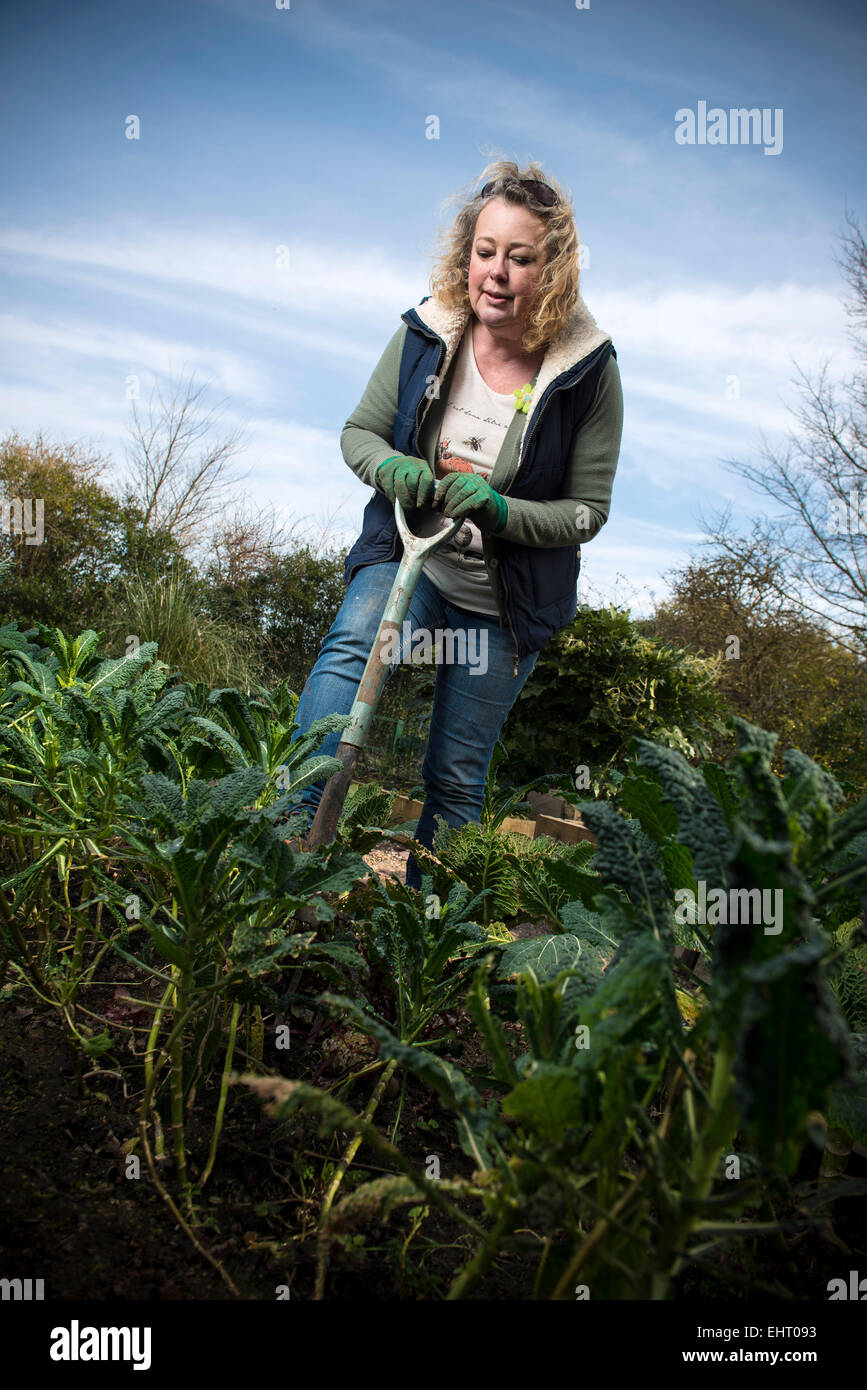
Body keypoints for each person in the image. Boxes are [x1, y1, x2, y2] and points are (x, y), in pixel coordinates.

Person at [286, 158, 624, 889]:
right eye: (484, 251)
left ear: (555, 269)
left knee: (454, 777)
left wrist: (502, 510)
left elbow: (585, 511)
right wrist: (392, 470)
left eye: (520, 257)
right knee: (348, 659)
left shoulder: (586, 370)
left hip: (503, 603)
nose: (495, 273)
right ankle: (285, 855)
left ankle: (421, 940)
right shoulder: (425, 330)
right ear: (464, 254)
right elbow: (360, 433)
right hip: (410, 553)